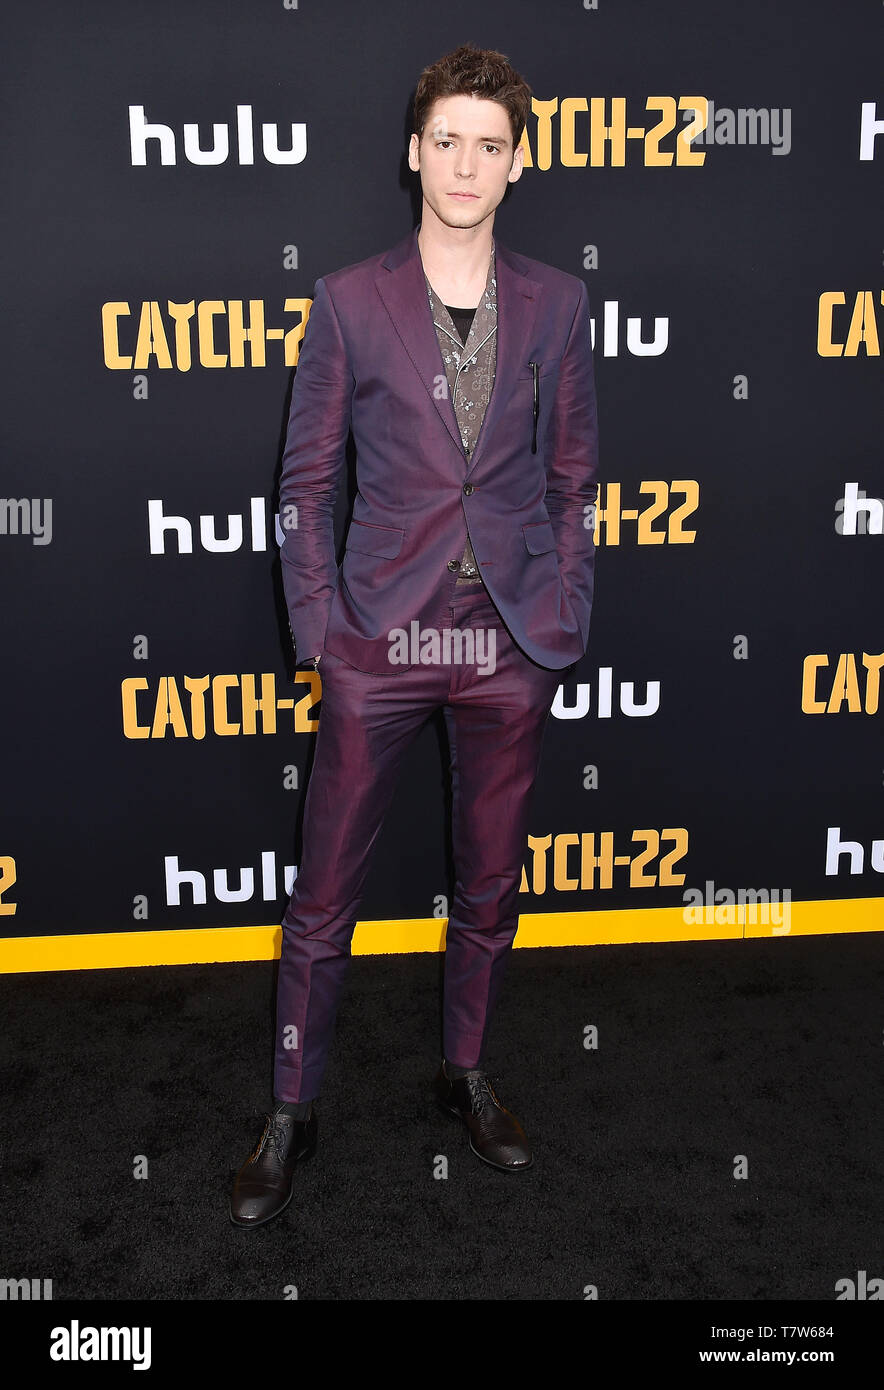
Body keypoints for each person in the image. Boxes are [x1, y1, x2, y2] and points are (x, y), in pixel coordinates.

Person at [230, 41, 599, 1227]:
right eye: (445, 138)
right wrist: (320, 631)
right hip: (378, 638)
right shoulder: (346, 299)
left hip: (507, 641)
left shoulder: (558, 303)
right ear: (412, 151)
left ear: (516, 163)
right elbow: (304, 482)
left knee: (488, 879)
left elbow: (573, 476)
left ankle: (466, 1070)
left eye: (488, 144)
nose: (463, 162)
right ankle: (290, 1107)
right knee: (323, 891)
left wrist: (565, 604)